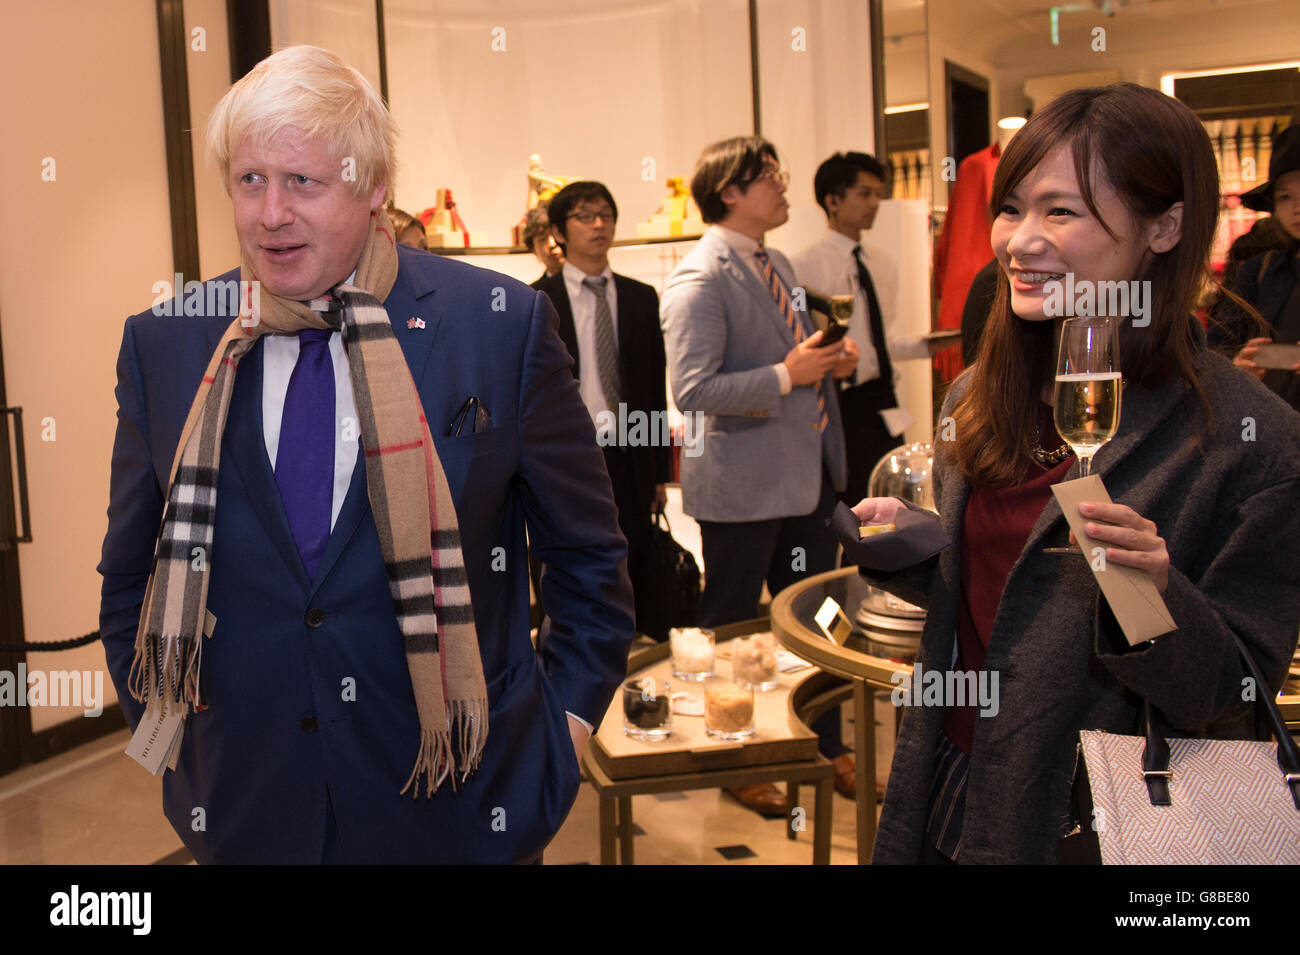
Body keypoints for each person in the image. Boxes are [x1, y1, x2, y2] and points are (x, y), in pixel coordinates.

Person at [97, 45, 634, 864]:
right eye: (249, 181)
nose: (270, 213)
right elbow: (131, 569)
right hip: (247, 811)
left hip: (462, 804)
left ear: (374, 186)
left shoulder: (497, 326)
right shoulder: (165, 343)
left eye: (302, 183)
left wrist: (559, 736)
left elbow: (590, 559)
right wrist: (178, 743)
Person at [853, 83, 1300, 864]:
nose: (1019, 241)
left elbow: (1234, 696)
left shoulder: (1249, 439)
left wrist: (1153, 593)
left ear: (1165, 227)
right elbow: (1013, 593)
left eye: (1061, 212)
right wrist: (924, 555)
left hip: (1096, 819)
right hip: (953, 783)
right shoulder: (979, 394)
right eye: (1012, 207)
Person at [660, 135, 860, 815]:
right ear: (729, 194)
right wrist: (787, 373)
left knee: (817, 620)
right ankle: (734, 757)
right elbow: (691, 388)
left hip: (805, 474)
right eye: (767, 176)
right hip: (743, 486)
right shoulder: (700, 276)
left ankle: (826, 747)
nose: (782, 185)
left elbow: (799, 357)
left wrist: (830, 360)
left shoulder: (774, 261)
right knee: (736, 628)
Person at [535, 181, 671, 638]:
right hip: (566, 454)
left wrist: (656, 472)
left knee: (634, 557)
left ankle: (634, 647)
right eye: (585, 216)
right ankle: (569, 649)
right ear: (558, 230)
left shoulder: (640, 297)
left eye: (606, 215)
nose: (599, 225)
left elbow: (653, 387)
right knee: (567, 559)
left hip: (629, 447)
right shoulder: (535, 301)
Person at [790, 151, 931, 506]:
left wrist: (928, 345)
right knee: (852, 504)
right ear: (833, 201)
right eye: (864, 193)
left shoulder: (881, 262)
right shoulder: (803, 266)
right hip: (840, 398)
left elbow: (878, 340)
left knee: (895, 499)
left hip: (883, 396)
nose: (874, 204)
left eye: (878, 194)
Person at [1208, 124, 1300, 411]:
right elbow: (1215, 349)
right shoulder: (1261, 270)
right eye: (1285, 196)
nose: (1297, 207)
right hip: (1270, 431)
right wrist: (1236, 367)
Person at [523, 203, 563, 287]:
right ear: (534, 250)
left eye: (556, 234)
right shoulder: (533, 295)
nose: (552, 244)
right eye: (542, 239)